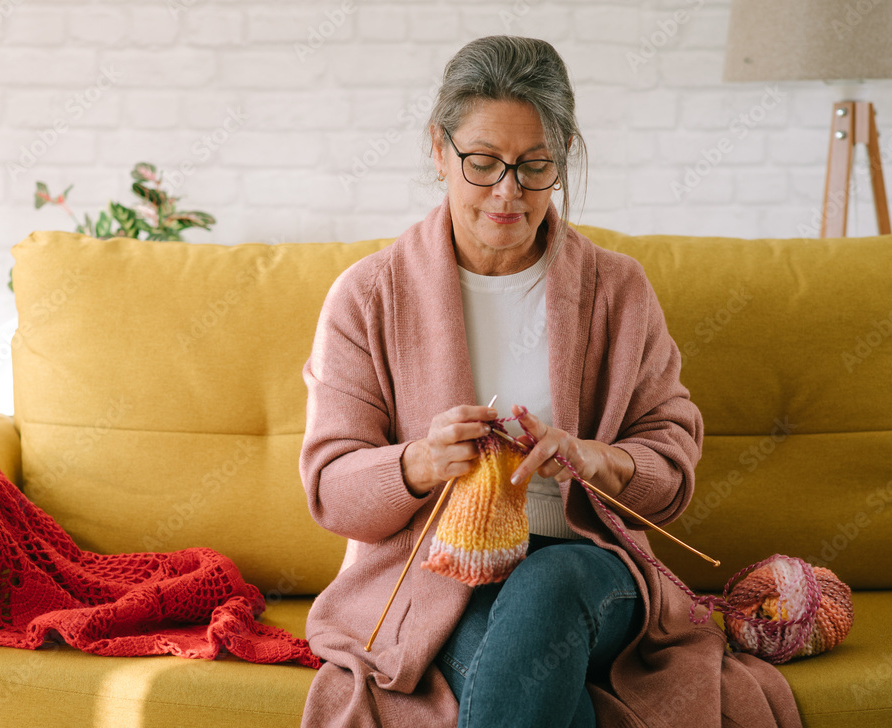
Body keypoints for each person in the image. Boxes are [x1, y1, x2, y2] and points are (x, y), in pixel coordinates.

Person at [300, 36, 800, 728]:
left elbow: (672, 470)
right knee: (525, 684)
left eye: (535, 166)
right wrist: (418, 464)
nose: (509, 191)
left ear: (562, 160)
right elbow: (330, 489)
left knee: (552, 579)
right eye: (483, 163)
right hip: (438, 580)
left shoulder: (616, 291)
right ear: (439, 151)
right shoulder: (368, 298)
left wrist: (599, 459)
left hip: (589, 567)